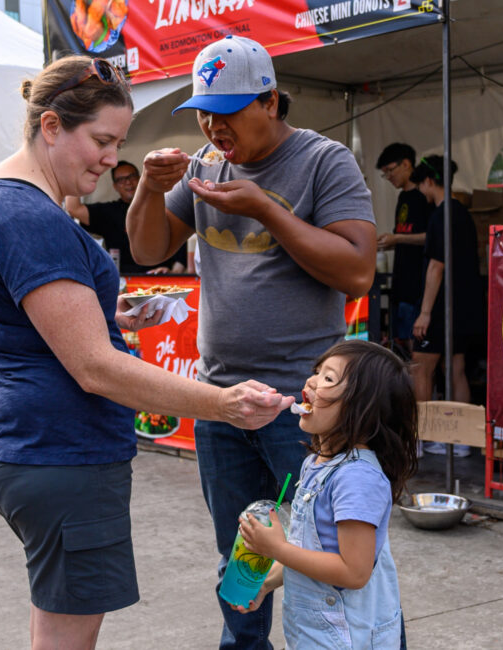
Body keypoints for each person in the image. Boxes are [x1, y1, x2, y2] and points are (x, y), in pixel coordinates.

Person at [0, 55, 292, 650]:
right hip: (61, 453)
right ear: (52, 127)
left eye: (119, 142)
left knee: (54, 614)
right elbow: (95, 368)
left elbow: (23, 321)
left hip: (24, 445)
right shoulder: (33, 218)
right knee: (68, 635)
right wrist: (223, 404)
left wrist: (108, 315)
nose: (113, 159)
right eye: (103, 141)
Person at [127, 35, 378, 648]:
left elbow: (356, 271)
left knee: (326, 549)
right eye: (204, 113)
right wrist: (151, 188)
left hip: (305, 402)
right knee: (240, 554)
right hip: (222, 401)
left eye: (229, 110)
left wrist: (267, 210)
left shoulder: (324, 162)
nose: (214, 126)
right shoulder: (207, 168)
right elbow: (147, 249)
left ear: (269, 101)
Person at [235, 340, 418, 649]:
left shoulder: (357, 477)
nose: (312, 381)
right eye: (317, 372)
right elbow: (309, 549)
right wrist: (267, 582)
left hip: (347, 637)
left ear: (362, 409)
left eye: (329, 379)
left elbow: (353, 571)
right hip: (314, 633)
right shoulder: (315, 463)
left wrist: (277, 548)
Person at [410, 156, 483, 457]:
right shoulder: (463, 214)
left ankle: (420, 439)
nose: (421, 192)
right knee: (456, 368)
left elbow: (436, 267)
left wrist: (425, 312)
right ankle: (461, 441)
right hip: (466, 303)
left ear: (429, 181)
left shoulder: (441, 216)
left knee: (420, 367)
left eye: (421, 185)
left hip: (442, 305)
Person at [63, 161, 186, 274]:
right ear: (115, 186)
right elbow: (73, 208)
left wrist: (172, 273)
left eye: (131, 176)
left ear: (140, 179)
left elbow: (182, 243)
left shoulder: (161, 205)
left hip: (161, 280)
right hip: (123, 282)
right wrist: (77, 168)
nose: (128, 182)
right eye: (121, 180)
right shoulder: (108, 212)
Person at [373, 143, 432, 359]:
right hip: (401, 280)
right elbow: (407, 234)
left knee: (414, 348)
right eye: (385, 173)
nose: (388, 176)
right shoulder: (403, 197)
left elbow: (432, 237)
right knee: (400, 344)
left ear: (406, 164)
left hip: (418, 283)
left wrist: (398, 238)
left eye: (390, 170)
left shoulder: (424, 195)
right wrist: (392, 241)